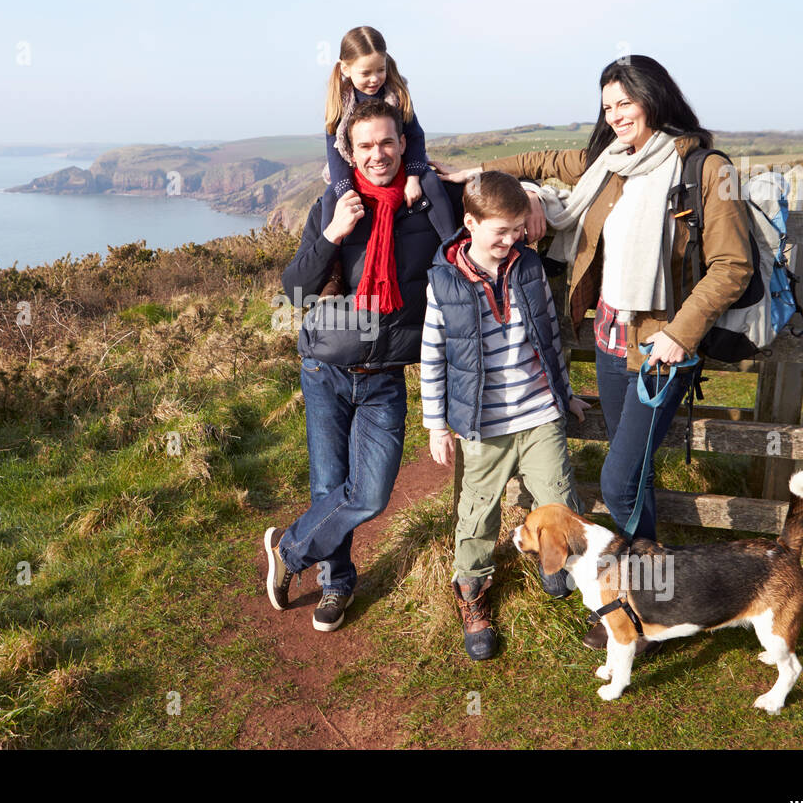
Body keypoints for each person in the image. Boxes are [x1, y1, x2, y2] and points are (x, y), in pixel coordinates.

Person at [434, 55, 752, 650]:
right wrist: (474, 173)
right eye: (607, 106)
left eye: (625, 102)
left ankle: (634, 600)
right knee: (635, 473)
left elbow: (733, 265)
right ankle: (649, 592)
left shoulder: (707, 169)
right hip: (610, 340)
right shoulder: (611, 162)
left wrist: (681, 331)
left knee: (619, 478)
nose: (616, 115)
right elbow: (538, 162)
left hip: (662, 348)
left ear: (653, 98)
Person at [263, 96, 460, 633]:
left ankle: (291, 547)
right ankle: (336, 584)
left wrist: (532, 202)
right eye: (366, 145)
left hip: (386, 375)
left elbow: (484, 223)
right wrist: (332, 237)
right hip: (326, 369)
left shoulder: (428, 202)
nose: (378, 155)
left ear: (405, 144)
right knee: (330, 485)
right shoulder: (332, 206)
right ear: (347, 151)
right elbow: (295, 292)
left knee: (369, 495)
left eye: (388, 142)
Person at [422, 171, 589, 661]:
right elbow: (433, 355)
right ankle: (472, 596)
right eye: (501, 231)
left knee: (559, 497)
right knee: (477, 514)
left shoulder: (529, 267)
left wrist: (567, 393)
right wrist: (437, 423)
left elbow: (550, 336)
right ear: (470, 223)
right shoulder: (444, 283)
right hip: (484, 424)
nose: (511, 239)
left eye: (517, 229)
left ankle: (556, 562)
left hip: (539, 411)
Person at [322, 26, 435, 221]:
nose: (374, 79)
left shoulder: (397, 95)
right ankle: (331, 245)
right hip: (357, 168)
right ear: (346, 69)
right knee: (330, 199)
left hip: (398, 164)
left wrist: (413, 177)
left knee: (432, 182)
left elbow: (415, 135)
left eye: (380, 70)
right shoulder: (340, 103)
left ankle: (449, 243)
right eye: (365, 73)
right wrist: (346, 192)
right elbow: (335, 153)